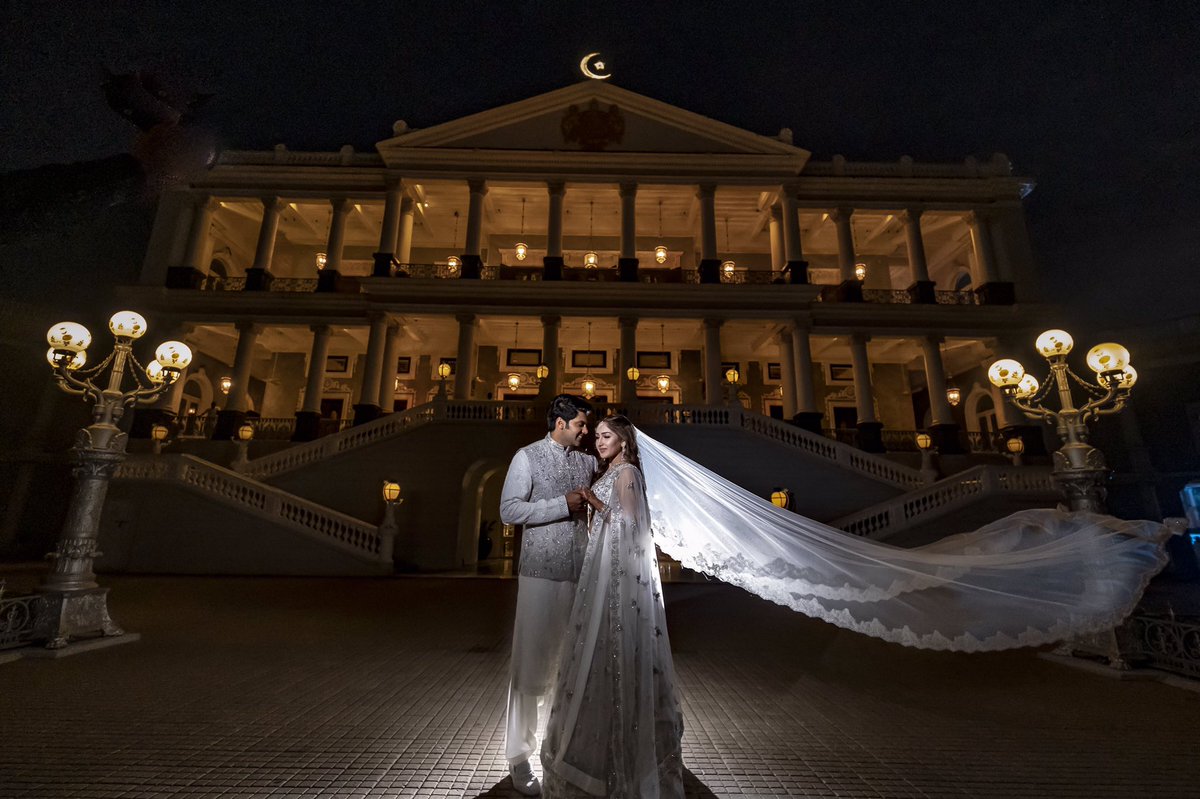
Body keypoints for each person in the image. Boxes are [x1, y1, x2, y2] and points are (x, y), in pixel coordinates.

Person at [540, 415, 684, 798]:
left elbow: (632, 526)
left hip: (617, 578)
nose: (599, 442)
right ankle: (595, 751)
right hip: (601, 572)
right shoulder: (610, 471)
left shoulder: (628, 473)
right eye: (598, 436)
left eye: (607, 436)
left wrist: (594, 501)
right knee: (597, 654)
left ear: (623, 439)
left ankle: (624, 758)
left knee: (616, 654)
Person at [499, 394, 598, 797]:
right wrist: (560, 504)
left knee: (571, 667)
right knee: (530, 666)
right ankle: (519, 757)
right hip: (539, 574)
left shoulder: (588, 463)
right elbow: (509, 510)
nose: (586, 431)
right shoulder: (526, 457)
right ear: (560, 423)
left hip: (581, 575)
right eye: (580, 425)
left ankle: (560, 749)